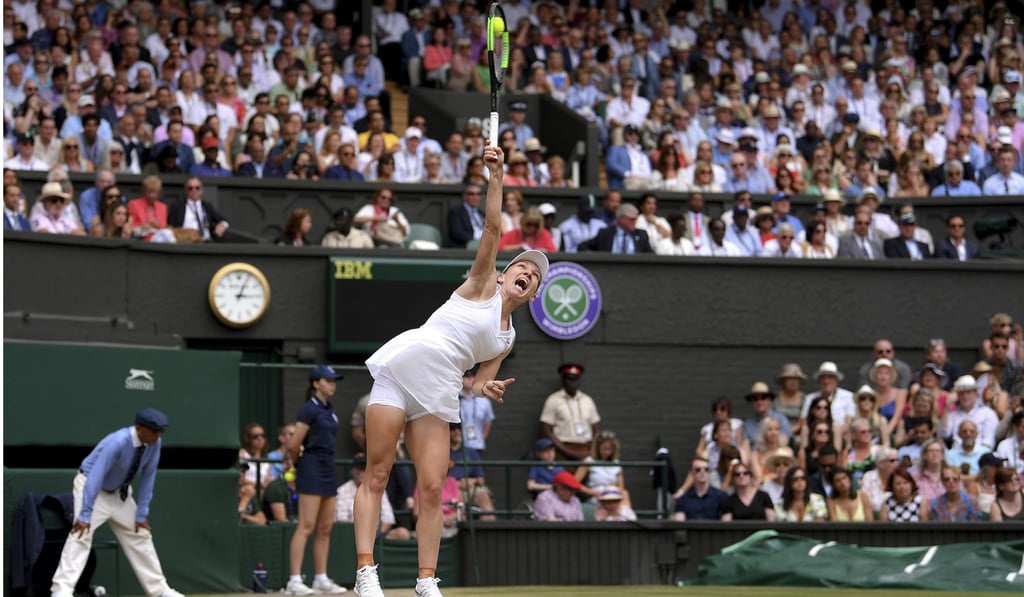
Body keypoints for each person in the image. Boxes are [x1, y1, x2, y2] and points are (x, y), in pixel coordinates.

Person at [354, 145, 546, 597]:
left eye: (535, 276)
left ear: (533, 294)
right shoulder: (482, 283)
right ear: (504, 275)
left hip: (439, 390)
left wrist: (487, 387)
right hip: (403, 368)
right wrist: (496, 177)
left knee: (433, 487)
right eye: (522, 266)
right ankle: (366, 572)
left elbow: (477, 382)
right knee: (377, 474)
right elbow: (493, 227)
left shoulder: (508, 338)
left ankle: (425, 580)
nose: (527, 273)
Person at [50, 408, 184, 597]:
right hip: (92, 488)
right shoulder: (117, 442)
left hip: (120, 493)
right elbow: (95, 476)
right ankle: (61, 590)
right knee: (81, 534)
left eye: (161, 431)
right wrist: (86, 513)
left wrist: (141, 514)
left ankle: (160, 590)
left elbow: (148, 476)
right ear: (140, 428)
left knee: (140, 533)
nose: (158, 435)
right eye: (155, 431)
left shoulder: (155, 443)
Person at [284, 365, 348, 596]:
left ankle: (321, 578)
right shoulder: (308, 409)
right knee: (306, 526)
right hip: (311, 466)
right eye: (328, 380)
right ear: (315, 383)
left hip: (328, 466)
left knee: (325, 527)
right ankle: (294, 581)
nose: (332, 384)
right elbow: (294, 444)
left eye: (334, 381)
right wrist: (296, 464)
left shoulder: (330, 409)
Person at [337, 454, 411, 540]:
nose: (363, 472)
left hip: (375, 535)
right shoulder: (343, 491)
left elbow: (388, 518)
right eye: (360, 469)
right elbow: (342, 521)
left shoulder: (378, 488)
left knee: (403, 533)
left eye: (365, 469)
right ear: (353, 471)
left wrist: (377, 535)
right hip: (352, 536)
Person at [540, 363, 602, 461]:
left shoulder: (588, 400)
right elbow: (547, 431)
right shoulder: (553, 400)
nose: (573, 382)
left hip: (586, 452)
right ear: (563, 380)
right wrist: (568, 452)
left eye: (576, 379)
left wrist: (592, 450)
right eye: (569, 379)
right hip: (563, 452)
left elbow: (596, 429)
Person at [458, 366, 494, 457]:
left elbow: (487, 423)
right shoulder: (455, 398)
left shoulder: (484, 400)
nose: (470, 379)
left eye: (472, 376)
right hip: (459, 446)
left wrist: (482, 438)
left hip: (477, 446)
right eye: (466, 377)